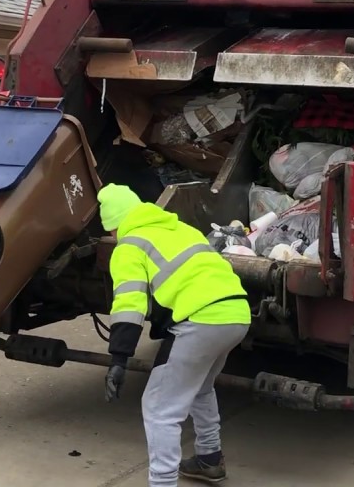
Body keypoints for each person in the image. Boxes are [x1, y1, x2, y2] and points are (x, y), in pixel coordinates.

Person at [98, 183, 250, 486]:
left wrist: (118, 359)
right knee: (200, 387)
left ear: (113, 226)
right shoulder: (182, 229)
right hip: (237, 313)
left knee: (160, 407)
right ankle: (208, 459)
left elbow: (130, 303)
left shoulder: (129, 245)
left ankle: (163, 482)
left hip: (202, 320)